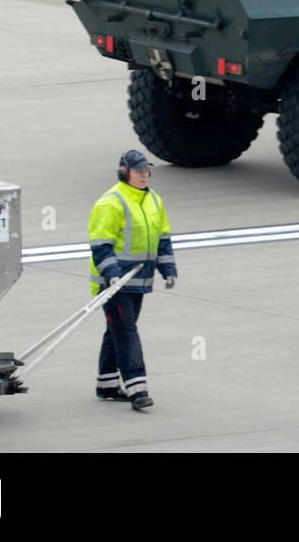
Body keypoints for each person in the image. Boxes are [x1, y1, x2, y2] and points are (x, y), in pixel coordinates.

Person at [88, 150, 177, 410]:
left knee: (117, 329)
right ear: (124, 173)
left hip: (139, 281)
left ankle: (106, 384)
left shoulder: (154, 201)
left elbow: (163, 238)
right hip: (114, 284)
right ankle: (137, 389)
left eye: (146, 171)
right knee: (127, 332)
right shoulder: (110, 203)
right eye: (138, 172)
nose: (144, 176)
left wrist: (168, 268)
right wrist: (112, 275)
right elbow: (101, 244)